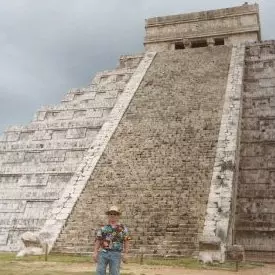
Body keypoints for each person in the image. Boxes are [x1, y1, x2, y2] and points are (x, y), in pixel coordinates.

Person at [93, 205, 130, 275]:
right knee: (100, 272)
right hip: (103, 253)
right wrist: (95, 252)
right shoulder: (103, 228)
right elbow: (98, 240)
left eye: (115, 214)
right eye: (111, 214)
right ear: (108, 215)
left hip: (116, 253)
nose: (113, 215)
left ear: (118, 216)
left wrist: (126, 253)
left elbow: (127, 241)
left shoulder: (123, 228)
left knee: (114, 273)